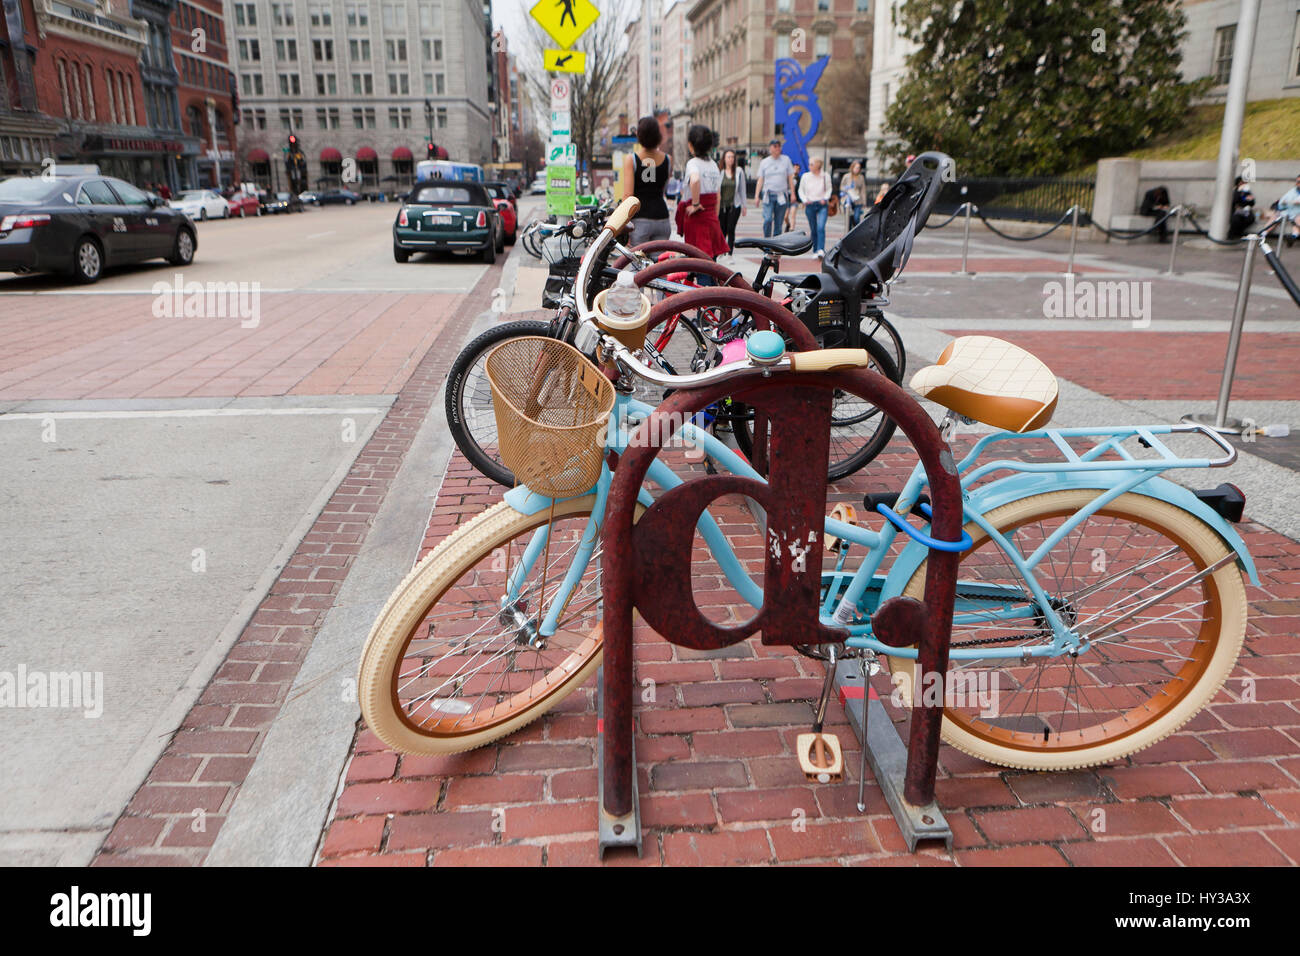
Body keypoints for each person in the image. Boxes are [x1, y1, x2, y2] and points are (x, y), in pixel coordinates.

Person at [675, 124, 728, 268]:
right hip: (711, 220)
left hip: (697, 221)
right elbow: (718, 196)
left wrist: (696, 204)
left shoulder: (693, 163)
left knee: (700, 265)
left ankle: (704, 289)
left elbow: (695, 180)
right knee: (712, 265)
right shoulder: (714, 165)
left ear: (691, 146)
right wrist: (714, 217)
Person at [622, 115, 671, 245]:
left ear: (639, 135)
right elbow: (664, 188)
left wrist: (623, 225)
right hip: (662, 217)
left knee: (638, 262)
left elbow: (628, 196)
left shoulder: (631, 160)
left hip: (640, 220)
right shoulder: (668, 159)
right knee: (660, 264)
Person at [753, 138, 796, 237]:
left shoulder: (786, 160)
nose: (777, 148)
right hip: (768, 194)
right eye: (775, 146)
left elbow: (790, 178)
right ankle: (767, 243)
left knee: (778, 223)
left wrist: (793, 193)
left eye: (779, 146)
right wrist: (756, 195)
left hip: (781, 195)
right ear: (770, 148)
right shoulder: (765, 162)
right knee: (768, 219)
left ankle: (775, 248)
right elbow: (760, 179)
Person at [798, 157, 832, 257]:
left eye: (811, 164)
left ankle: (821, 249)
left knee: (820, 227)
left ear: (817, 165)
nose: (809, 166)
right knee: (813, 228)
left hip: (822, 204)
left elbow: (829, 189)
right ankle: (815, 250)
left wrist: (825, 198)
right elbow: (801, 190)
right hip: (810, 204)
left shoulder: (825, 176)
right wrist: (804, 200)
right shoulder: (805, 176)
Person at [718, 149, 747, 254]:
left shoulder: (739, 172)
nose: (731, 159)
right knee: (722, 230)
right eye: (728, 157)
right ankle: (722, 251)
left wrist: (744, 205)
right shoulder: (720, 172)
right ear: (724, 159)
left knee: (731, 228)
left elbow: (742, 190)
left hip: (735, 205)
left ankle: (730, 253)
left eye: (732, 157)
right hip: (722, 206)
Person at [1261, 174, 1300, 246]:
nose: (1297, 184)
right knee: (1275, 217)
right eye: (1297, 182)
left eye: (1299, 182)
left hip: (1297, 214)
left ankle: (1293, 236)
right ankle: (1263, 234)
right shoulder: (1293, 190)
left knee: (1297, 220)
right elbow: (1283, 201)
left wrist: (1291, 202)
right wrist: (1287, 203)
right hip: (1288, 212)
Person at [1229, 176, 1256, 240]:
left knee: (1250, 218)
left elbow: (1252, 203)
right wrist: (1239, 192)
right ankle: (1231, 234)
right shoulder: (1235, 191)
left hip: (1243, 210)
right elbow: (1234, 201)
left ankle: (1239, 231)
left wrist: (1250, 200)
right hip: (1235, 210)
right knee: (1236, 219)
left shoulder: (1246, 192)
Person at [841, 160, 867, 228]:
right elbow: (841, 187)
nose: (857, 169)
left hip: (857, 200)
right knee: (848, 219)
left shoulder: (861, 177)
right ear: (852, 168)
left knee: (856, 218)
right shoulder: (846, 176)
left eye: (858, 168)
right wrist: (846, 189)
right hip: (848, 200)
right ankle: (849, 232)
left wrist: (864, 202)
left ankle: (855, 229)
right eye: (856, 168)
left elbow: (863, 190)